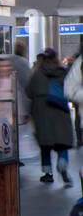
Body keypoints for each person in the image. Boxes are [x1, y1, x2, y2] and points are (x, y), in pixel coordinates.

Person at [29, 48, 72, 184]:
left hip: (42, 112)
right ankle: (62, 165)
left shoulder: (37, 74)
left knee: (45, 144)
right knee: (62, 141)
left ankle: (47, 173)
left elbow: (29, 92)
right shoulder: (64, 73)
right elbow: (70, 90)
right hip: (60, 111)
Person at [10, 41, 32, 124]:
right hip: (23, 99)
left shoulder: (9, 60)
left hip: (12, 98)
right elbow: (27, 81)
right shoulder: (24, 62)